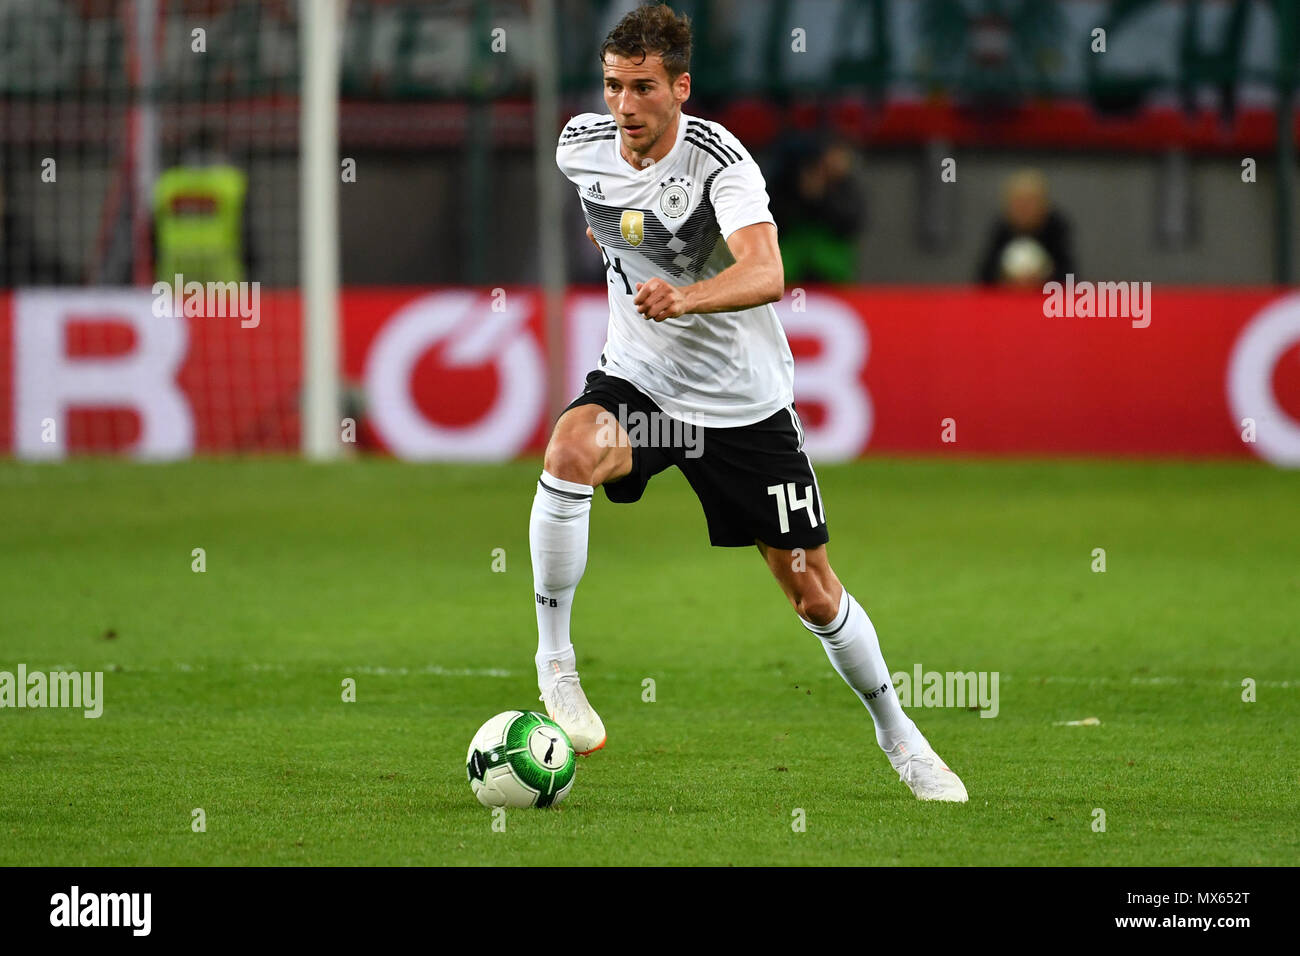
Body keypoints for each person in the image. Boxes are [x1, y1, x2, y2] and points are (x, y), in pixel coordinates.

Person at [533, 2, 967, 802]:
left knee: (812, 590)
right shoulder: (578, 146)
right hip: (643, 384)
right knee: (567, 453)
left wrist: (685, 297)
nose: (624, 107)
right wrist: (619, 246)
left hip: (742, 409)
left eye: (642, 88)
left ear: (680, 88)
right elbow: (615, 219)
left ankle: (898, 733)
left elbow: (767, 272)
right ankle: (555, 663)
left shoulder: (720, 163)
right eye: (612, 87)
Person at [976, 168, 1075, 288]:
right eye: (1019, 202)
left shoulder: (1056, 229)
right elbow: (983, 278)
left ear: (1043, 204)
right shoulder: (1001, 230)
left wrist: (1043, 278)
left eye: (1031, 202)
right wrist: (1005, 278)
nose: (1025, 208)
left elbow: (1069, 276)